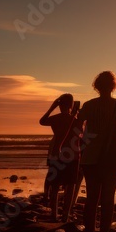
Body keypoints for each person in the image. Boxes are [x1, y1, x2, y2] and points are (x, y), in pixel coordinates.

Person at [77, 71, 116, 232]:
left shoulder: (88, 105)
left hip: (90, 157)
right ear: (113, 86)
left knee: (92, 198)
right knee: (108, 198)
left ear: (97, 86)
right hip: (112, 158)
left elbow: (77, 128)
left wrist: (86, 141)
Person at [40, 94, 83, 222]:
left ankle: (54, 214)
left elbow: (42, 121)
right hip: (72, 154)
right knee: (70, 185)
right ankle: (65, 215)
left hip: (56, 155)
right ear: (71, 105)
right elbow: (81, 133)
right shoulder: (75, 120)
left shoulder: (56, 118)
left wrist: (52, 107)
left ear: (59, 105)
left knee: (55, 185)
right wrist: (77, 115)